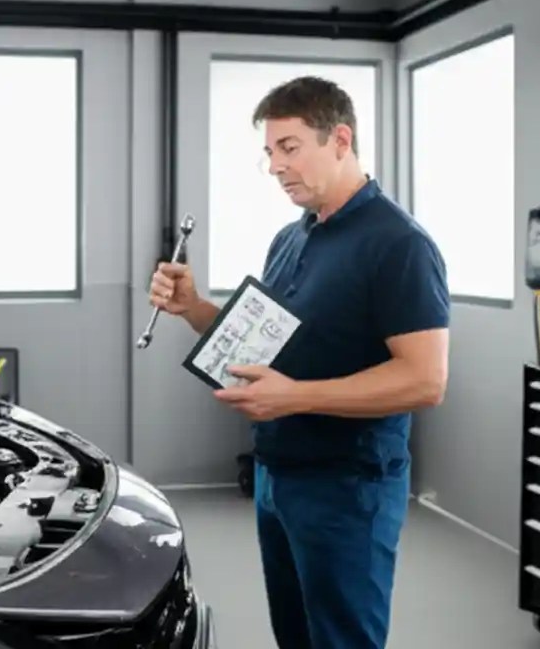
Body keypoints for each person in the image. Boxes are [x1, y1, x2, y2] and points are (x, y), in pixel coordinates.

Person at [148, 75, 450, 649]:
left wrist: (296, 396)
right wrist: (194, 310)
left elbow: (425, 379)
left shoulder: (400, 244)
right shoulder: (291, 237)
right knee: (295, 637)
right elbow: (262, 350)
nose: (277, 166)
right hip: (278, 475)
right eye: (269, 153)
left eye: (290, 148)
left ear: (340, 139)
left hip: (347, 486)